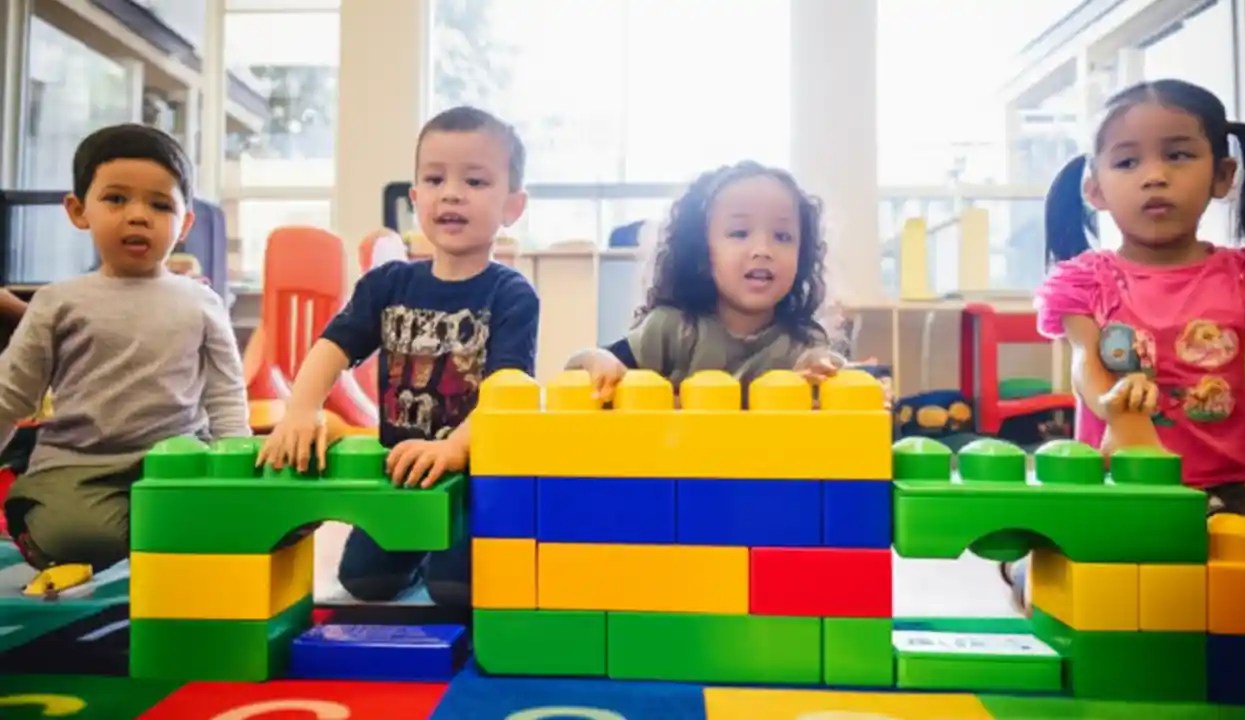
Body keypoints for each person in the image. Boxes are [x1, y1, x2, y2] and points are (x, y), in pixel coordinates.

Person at [1003, 79, 1245, 610]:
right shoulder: (1087, 279)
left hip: (1222, 487)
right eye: (1127, 163)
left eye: (1178, 155)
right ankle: (1026, 565)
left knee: (1237, 584)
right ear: (1095, 189)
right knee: (1088, 588)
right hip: (1109, 477)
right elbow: (1086, 359)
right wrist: (1108, 405)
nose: (1155, 176)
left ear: (1223, 175)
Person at [256, 106, 539, 605]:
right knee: (365, 582)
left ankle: (449, 557)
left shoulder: (511, 294)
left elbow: (505, 394)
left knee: (456, 591)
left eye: (474, 181)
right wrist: (300, 410)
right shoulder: (388, 285)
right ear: (415, 198)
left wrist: (455, 449)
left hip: (474, 478)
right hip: (401, 476)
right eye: (434, 179)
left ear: (512, 206)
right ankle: (419, 558)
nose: (451, 193)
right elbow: (332, 347)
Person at [0, 123, 251, 572]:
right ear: (79, 211)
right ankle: (37, 519)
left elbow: (225, 396)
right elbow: (11, 393)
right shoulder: (59, 302)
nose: (138, 216)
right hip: (77, 468)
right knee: (85, 536)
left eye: (160, 205)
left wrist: (238, 473)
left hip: (177, 465)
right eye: (116, 199)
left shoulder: (201, 302)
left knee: (217, 527)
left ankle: (154, 534)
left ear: (185, 223)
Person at [569, 160, 856, 402]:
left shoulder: (803, 345)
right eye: (739, 233)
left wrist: (829, 375)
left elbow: (838, 390)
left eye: (783, 237)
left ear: (802, 254)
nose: (763, 250)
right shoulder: (671, 330)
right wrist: (594, 360)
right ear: (700, 252)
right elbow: (583, 371)